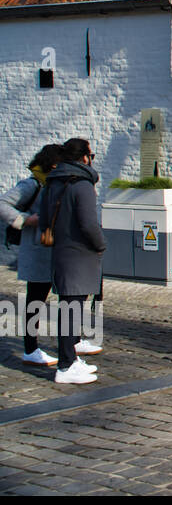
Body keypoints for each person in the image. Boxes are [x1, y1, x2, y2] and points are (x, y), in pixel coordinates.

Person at [38, 138, 107, 384]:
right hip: (80, 254)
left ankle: (71, 360)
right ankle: (66, 366)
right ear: (84, 157)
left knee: (69, 308)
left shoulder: (52, 183)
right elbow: (88, 223)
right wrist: (101, 244)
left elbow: (44, 219)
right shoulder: (82, 185)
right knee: (72, 311)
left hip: (61, 253)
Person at [0, 144, 64, 366]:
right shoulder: (33, 183)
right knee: (34, 301)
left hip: (54, 251)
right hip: (37, 251)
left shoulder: (56, 184)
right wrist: (27, 219)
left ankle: (70, 342)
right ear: (53, 163)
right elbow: (3, 204)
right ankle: (30, 348)